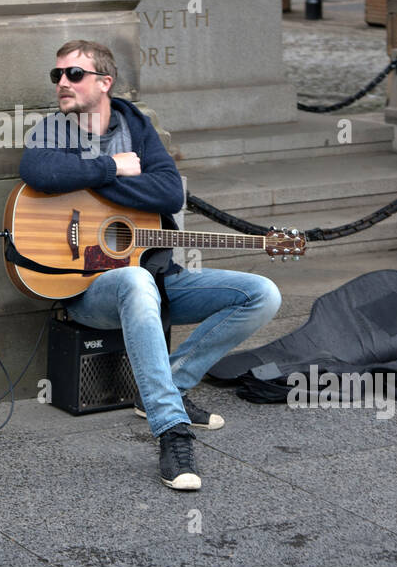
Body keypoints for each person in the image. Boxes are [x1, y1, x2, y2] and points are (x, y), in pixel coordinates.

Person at [18, 40, 281, 490]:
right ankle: (171, 430)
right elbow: (39, 172)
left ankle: (169, 386)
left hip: (159, 279)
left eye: (74, 74)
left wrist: (98, 179)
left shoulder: (136, 127)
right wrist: (112, 168)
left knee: (262, 294)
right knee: (135, 279)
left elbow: (167, 194)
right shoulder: (53, 131)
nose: (63, 82)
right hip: (86, 290)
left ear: (105, 82)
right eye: (57, 75)